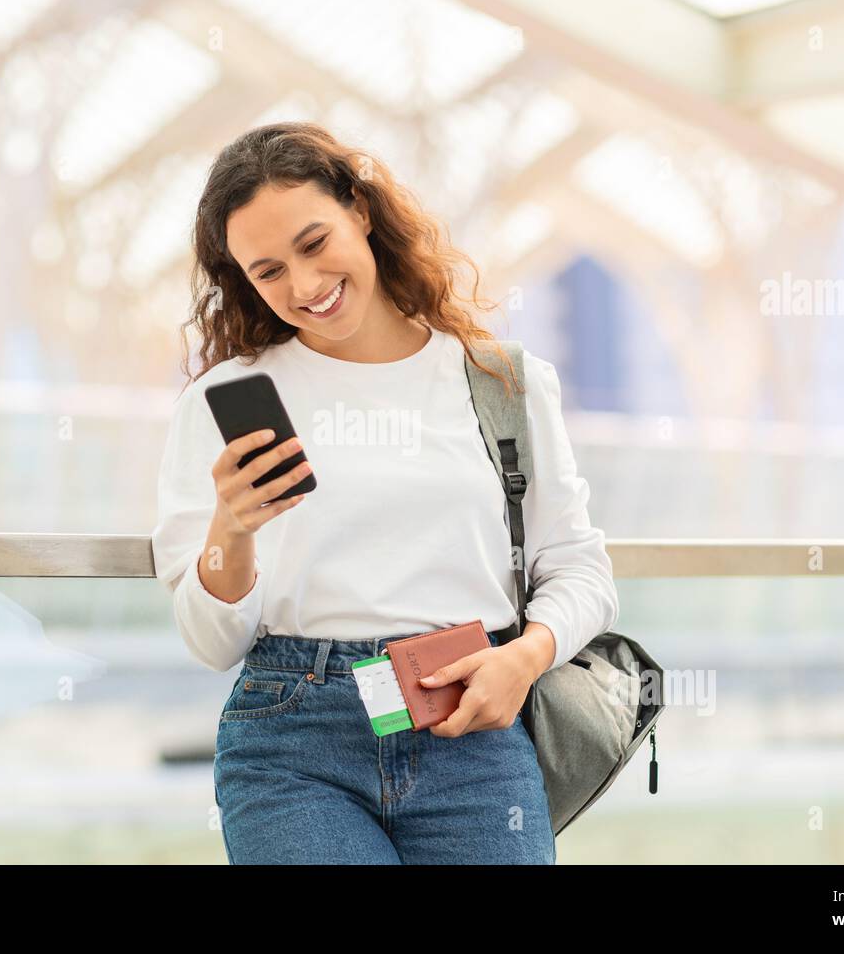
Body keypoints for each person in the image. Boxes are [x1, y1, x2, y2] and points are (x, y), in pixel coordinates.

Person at [150, 122, 618, 864]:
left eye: (314, 243)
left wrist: (523, 660)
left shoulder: (499, 382)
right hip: (292, 744)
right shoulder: (226, 399)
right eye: (268, 271)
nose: (303, 287)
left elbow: (581, 569)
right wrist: (230, 531)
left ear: (360, 213)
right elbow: (213, 644)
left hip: (474, 727)